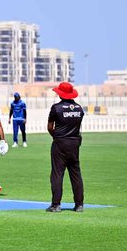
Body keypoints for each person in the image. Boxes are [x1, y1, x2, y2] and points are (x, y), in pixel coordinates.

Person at [46, 82, 85, 213]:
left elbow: (50, 127)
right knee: (76, 174)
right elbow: (78, 127)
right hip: (74, 143)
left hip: (60, 143)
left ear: (60, 93)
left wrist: (56, 136)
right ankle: (79, 204)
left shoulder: (56, 108)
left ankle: (56, 205)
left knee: (57, 173)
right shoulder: (79, 109)